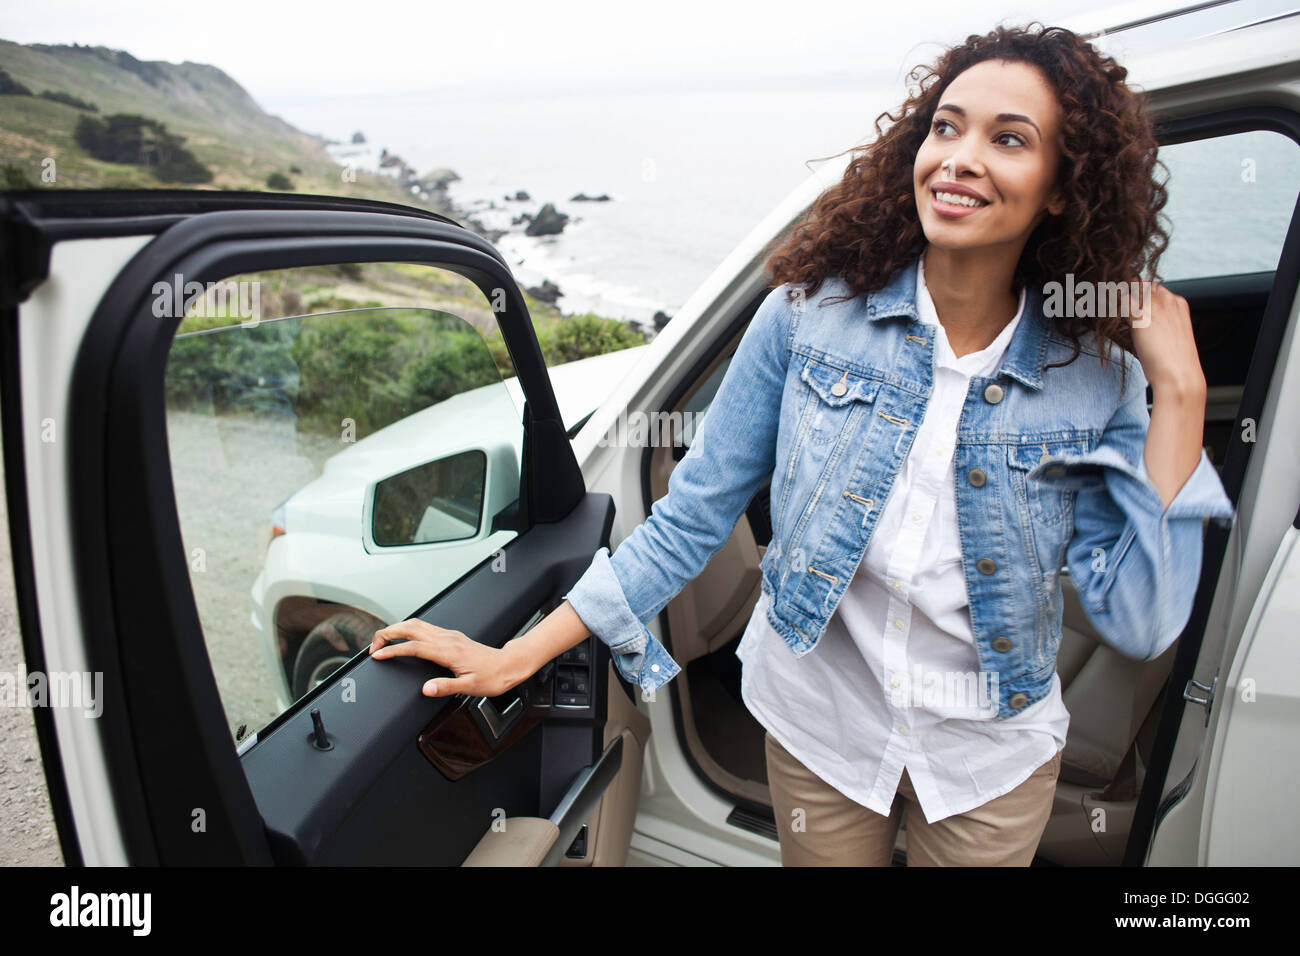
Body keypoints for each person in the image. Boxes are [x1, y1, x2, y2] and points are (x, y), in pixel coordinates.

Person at [369, 22, 1234, 866]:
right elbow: (691, 516)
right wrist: (517, 654)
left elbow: (1142, 618)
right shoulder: (805, 317)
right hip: (821, 729)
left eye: (1009, 139)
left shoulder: (1100, 379)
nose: (960, 157)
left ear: (1060, 187)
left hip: (989, 762)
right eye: (945, 127)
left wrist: (1182, 396)